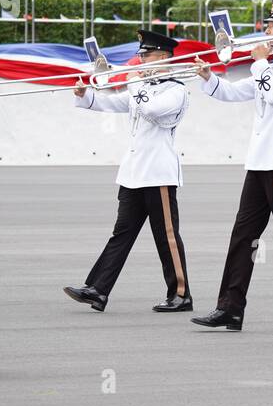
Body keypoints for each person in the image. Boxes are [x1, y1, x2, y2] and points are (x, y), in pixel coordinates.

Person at [191, 0, 273, 332]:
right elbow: (235, 93)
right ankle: (230, 307)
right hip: (260, 160)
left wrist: (261, 64)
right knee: (243, 236)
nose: (266, 30)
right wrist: (209, 79)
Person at [64, 29, 191, 314]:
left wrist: (133, 82)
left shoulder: (176, 90)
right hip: (134, 174)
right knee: (121, 234)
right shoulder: (142, 87)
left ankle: (181, 294)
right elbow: (112, 102)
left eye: (146, 55)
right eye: (140, 55)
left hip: (159, 174)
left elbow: (152, 110)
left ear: (164, 57)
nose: (140, 59)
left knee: (166, 237)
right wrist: (86, 96)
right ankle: (98, 289)